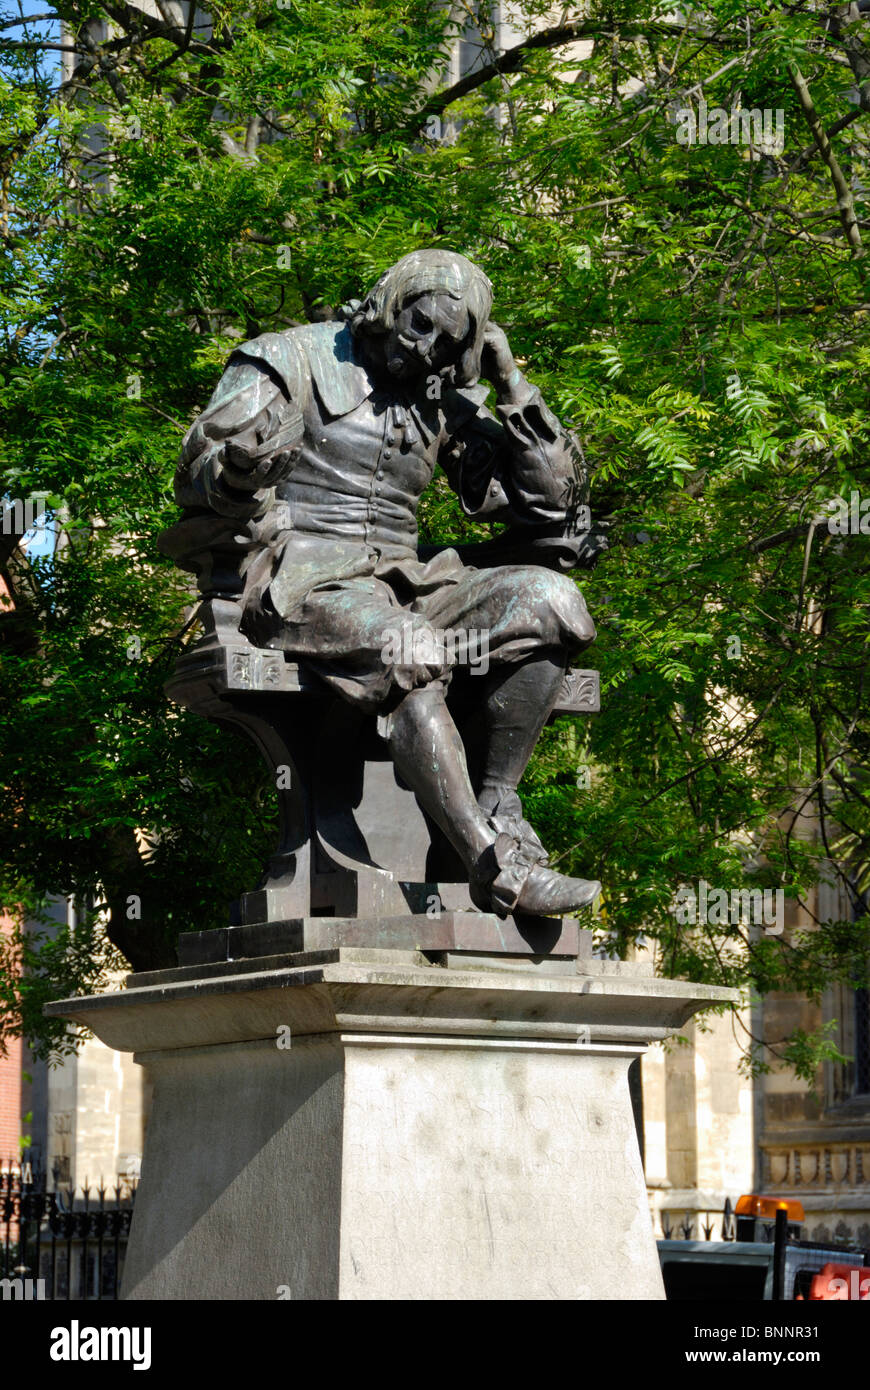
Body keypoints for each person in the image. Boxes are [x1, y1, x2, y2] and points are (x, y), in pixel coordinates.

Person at [163, 249, 601, 917]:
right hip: (304, 579)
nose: (425, 348)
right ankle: (496, 867)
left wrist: (509, 380)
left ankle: (495, 807)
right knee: (410, 647)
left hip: (407, 581)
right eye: (419, 325)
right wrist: (240, 469)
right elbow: (197, 473)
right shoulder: (287, 359)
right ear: (391, 303)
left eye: (447, 342)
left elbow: (548, 506)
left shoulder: (438, 394)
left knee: (554, 602)